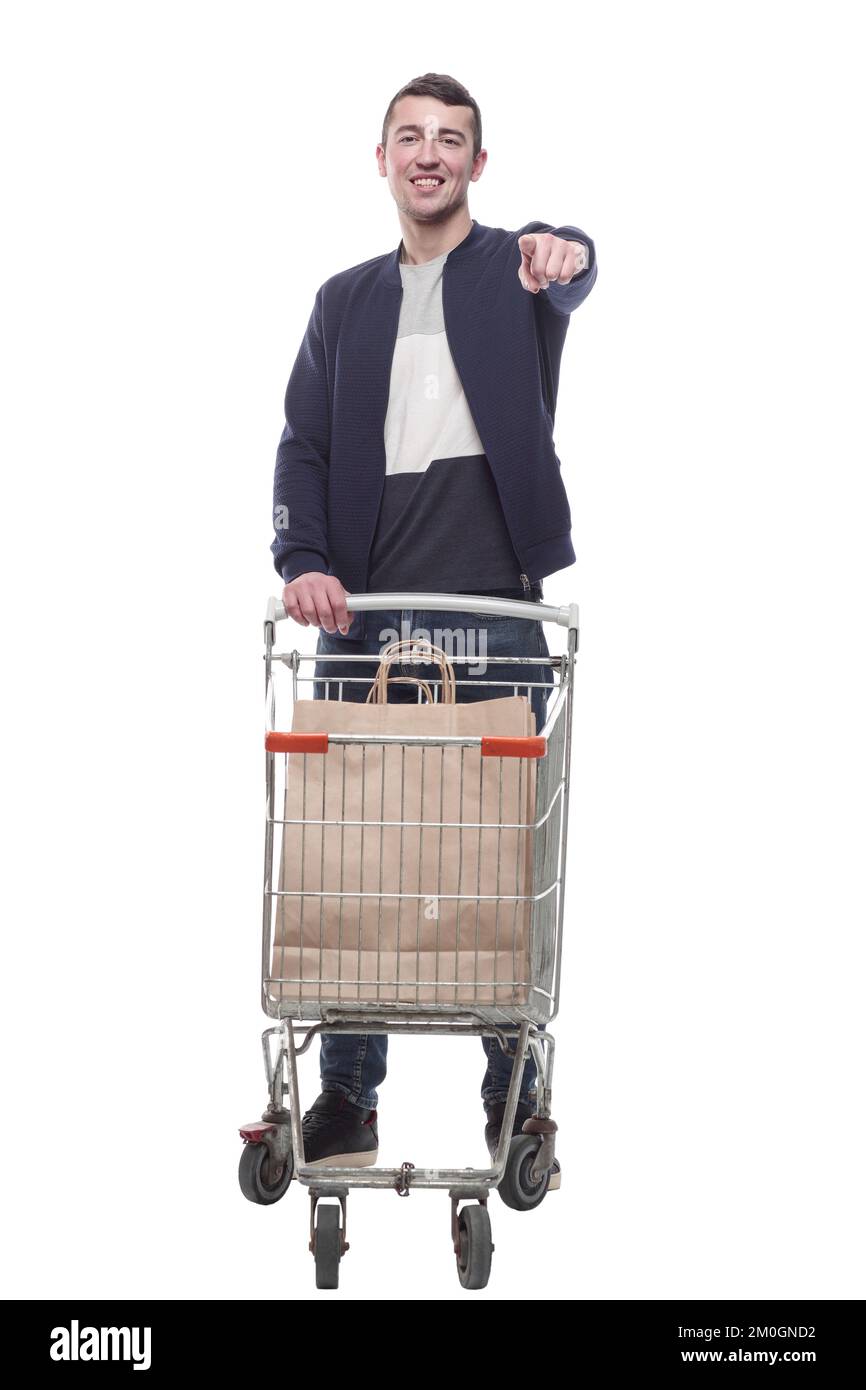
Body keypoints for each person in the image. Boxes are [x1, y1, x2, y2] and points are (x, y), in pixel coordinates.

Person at [270, 73, 597, 1183]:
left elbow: (572, 265)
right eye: (408, 137)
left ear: (475, 165)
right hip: (363, 616)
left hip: (492, 610)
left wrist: (565, 249)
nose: (427, 154)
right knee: (355, 852)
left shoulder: (514, 268)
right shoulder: (342, 301)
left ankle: (512, 1092)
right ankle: (347, 1101)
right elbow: (303, 446)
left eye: (448, 139)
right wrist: (303, 561)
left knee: (497, 853)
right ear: (379, 159)